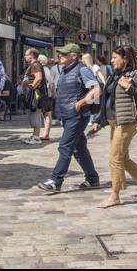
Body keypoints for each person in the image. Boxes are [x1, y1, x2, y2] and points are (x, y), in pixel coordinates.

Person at [88, 46, 137, 207]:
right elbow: (108, 100)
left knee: (115, 158)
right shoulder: (115, 75)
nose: (111, 60)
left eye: (114, 57)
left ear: (125, 59)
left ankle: (115, 195)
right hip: (113, 120)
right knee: (123, 159)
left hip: (127, 120)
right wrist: (99, 120)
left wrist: (130, 87)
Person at [35, 43, 101, 193]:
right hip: (67, 115)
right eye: (60, 54)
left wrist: (81, 103)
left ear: (73, 56)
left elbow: (97, 89)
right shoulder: (65, 70)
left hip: (77, 115)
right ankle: (92, 179)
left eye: (64, 54)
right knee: (79, 148)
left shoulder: (82, 70)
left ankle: (55, 180)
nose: (60, 56)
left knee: (65, 146)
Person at [21, 63, 48, 144]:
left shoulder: (35, 65)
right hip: (34, 93)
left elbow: (39, 78)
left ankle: (36, 137)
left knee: (35, 111)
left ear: (31, 55)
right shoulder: (33, 65)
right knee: (34, 112)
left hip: (35, 94)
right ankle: (34, 135)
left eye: (26, 55)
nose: (25, 57)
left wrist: (31, 88)